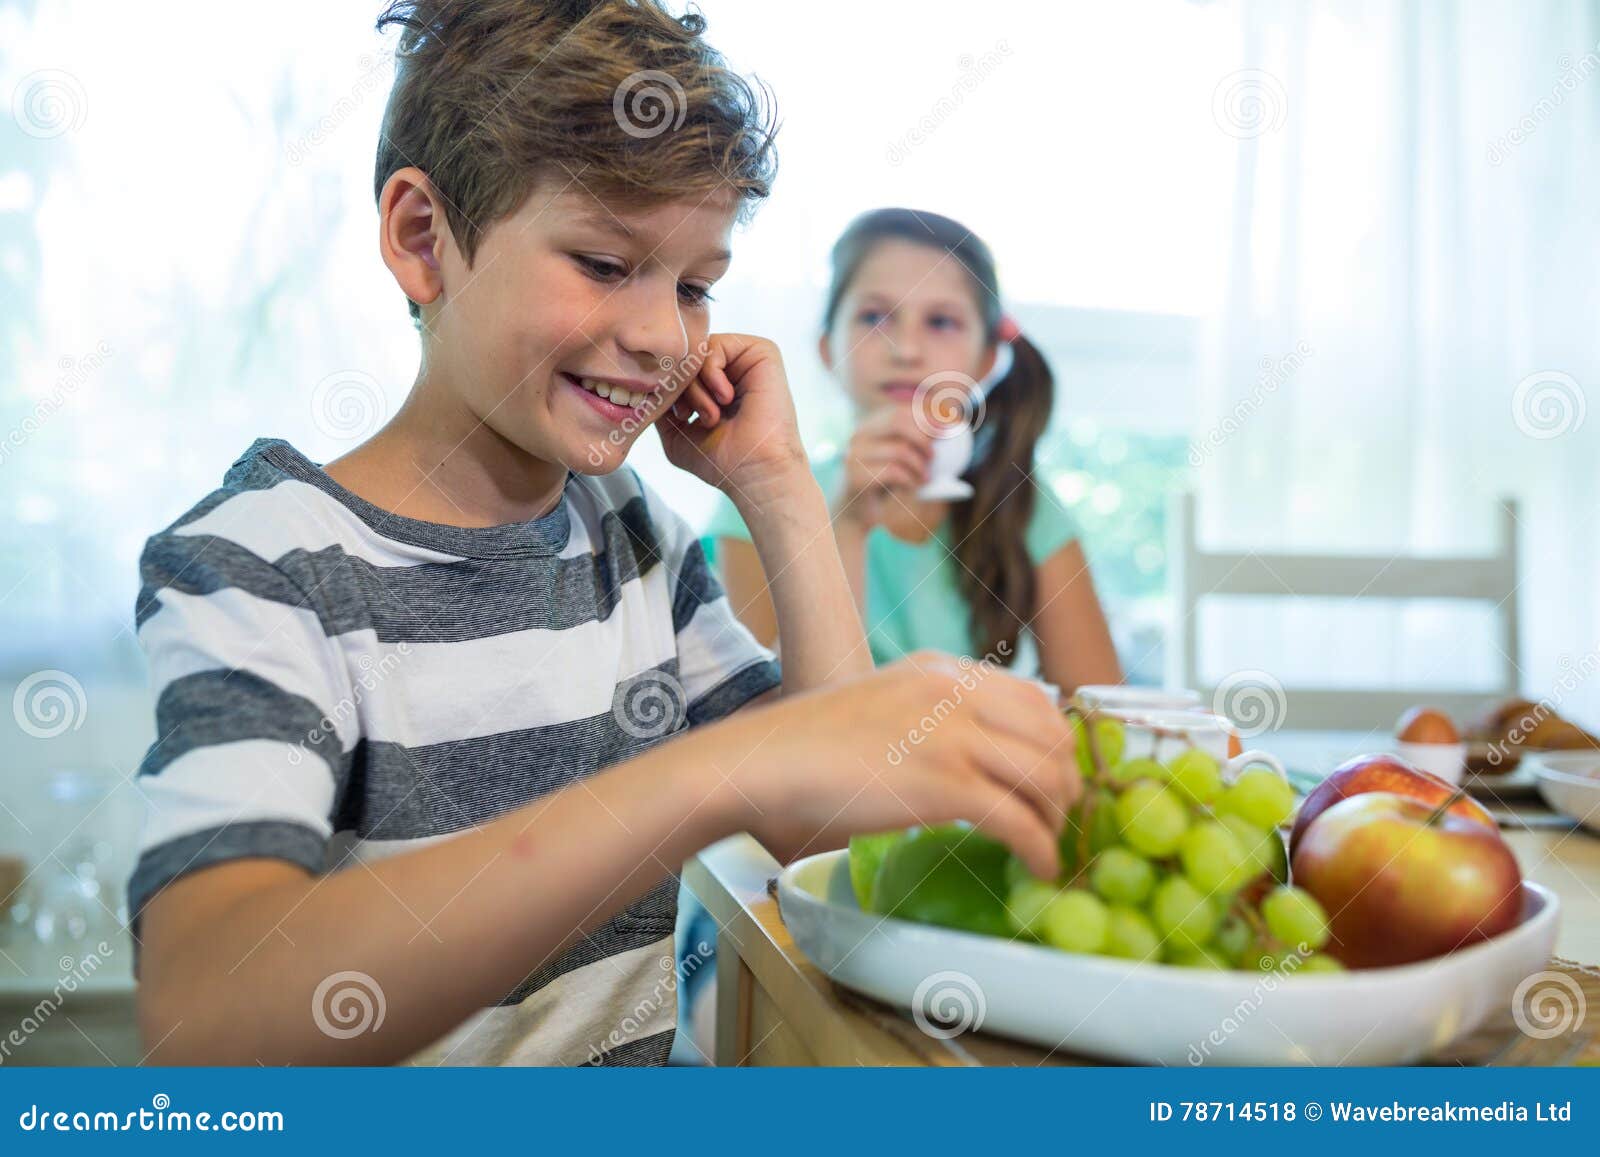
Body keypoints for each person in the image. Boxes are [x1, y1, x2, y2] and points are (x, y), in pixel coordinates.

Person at [126, 1, 1078, 1067]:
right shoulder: (261, 566)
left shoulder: (634, 540)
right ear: (420, 237)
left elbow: (838, 835)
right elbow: (206, 1011)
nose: (663, 335)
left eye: (695, 284)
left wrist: (778, 489)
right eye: (602, 261)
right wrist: (716, 771)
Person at [710, 208, 1122, 687]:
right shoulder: (756, 500)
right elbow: (763, 725)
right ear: (827, 348)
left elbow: (1098, 710)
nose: (905, 349)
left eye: (941, 322)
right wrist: (846, 523)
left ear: (986, 359)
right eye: (874, 317)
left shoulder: (1026, 509)